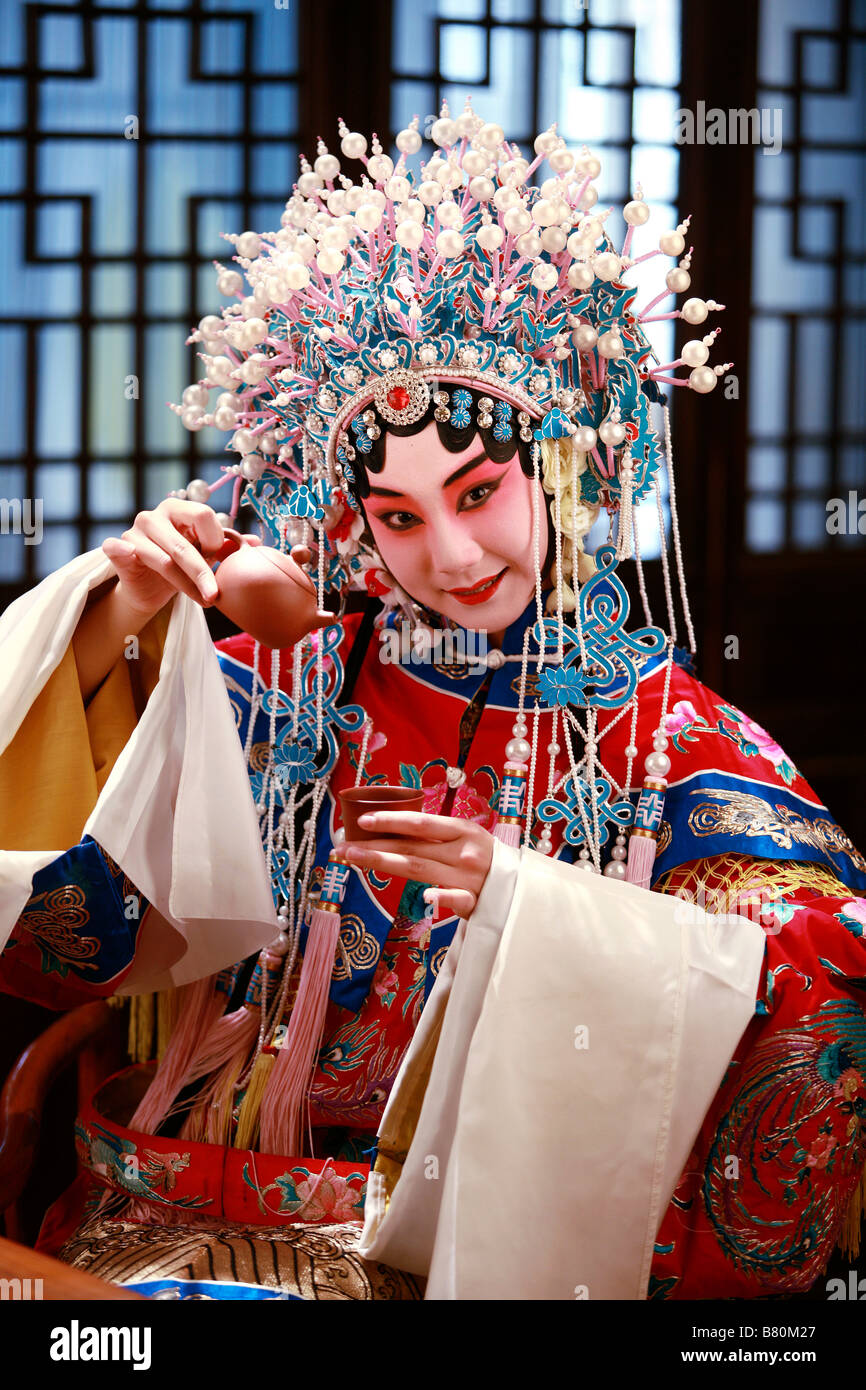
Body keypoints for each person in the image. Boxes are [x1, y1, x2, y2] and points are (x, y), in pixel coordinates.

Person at [1, 102, 865, 1301]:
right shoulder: (290, 682)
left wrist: (533, 902)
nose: (449, 555)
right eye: (398, 516)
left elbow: (826, 973)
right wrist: (124, 613)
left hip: (468, 1250)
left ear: (562, 466)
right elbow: (74, 919)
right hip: (188, 1204)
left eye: (478, 492)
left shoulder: (666, 737)